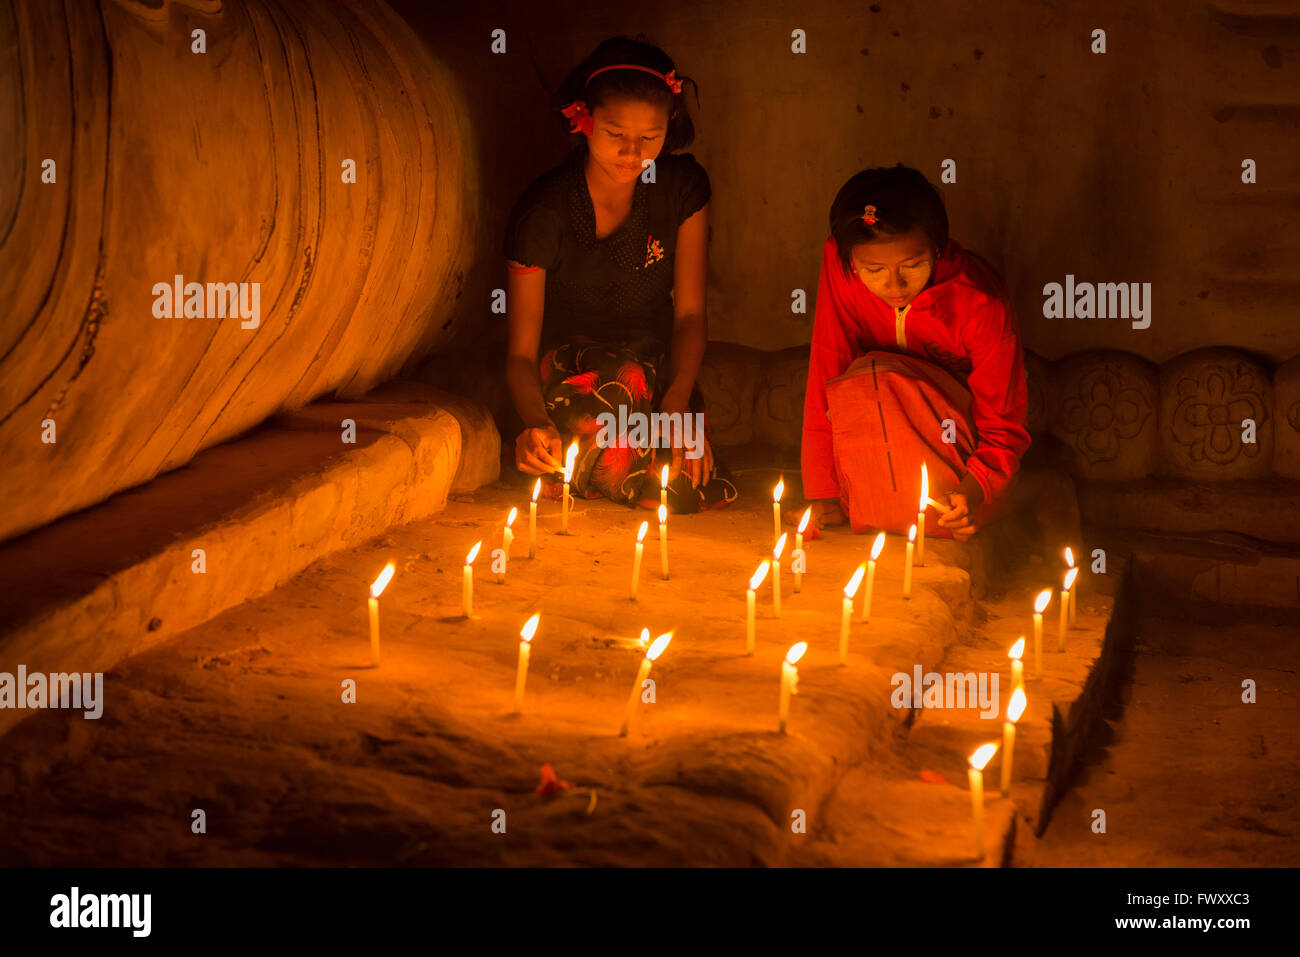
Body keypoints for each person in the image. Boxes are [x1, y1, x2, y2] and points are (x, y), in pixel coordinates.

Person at [503, 36, 737, 513]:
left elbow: (690, 313)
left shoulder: (679, 189)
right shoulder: (544, 213)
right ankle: (582, 460)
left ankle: (606, 468)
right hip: (571, 375)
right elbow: (521, 354)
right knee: (622, 384)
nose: (633, 153)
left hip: (653, 373)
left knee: (684, 480)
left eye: (649, 138)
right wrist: (534, 422)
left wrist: (676, 404)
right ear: (583, 122)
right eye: (615, 134)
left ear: (668, 128)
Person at [794, 165, 1030, 541]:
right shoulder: (842, 268)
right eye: (873, 269)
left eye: (912, 265)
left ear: (938, 248)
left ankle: (1001, 496)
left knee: (879, 375)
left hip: (953, 445)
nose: (894, 285)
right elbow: (829, 362)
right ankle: (865, 501)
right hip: (880, 429)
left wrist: (974, 490)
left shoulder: (980, 303)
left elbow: (1002, 426)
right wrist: (824, 491)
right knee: (864, 377)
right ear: (849, 259)